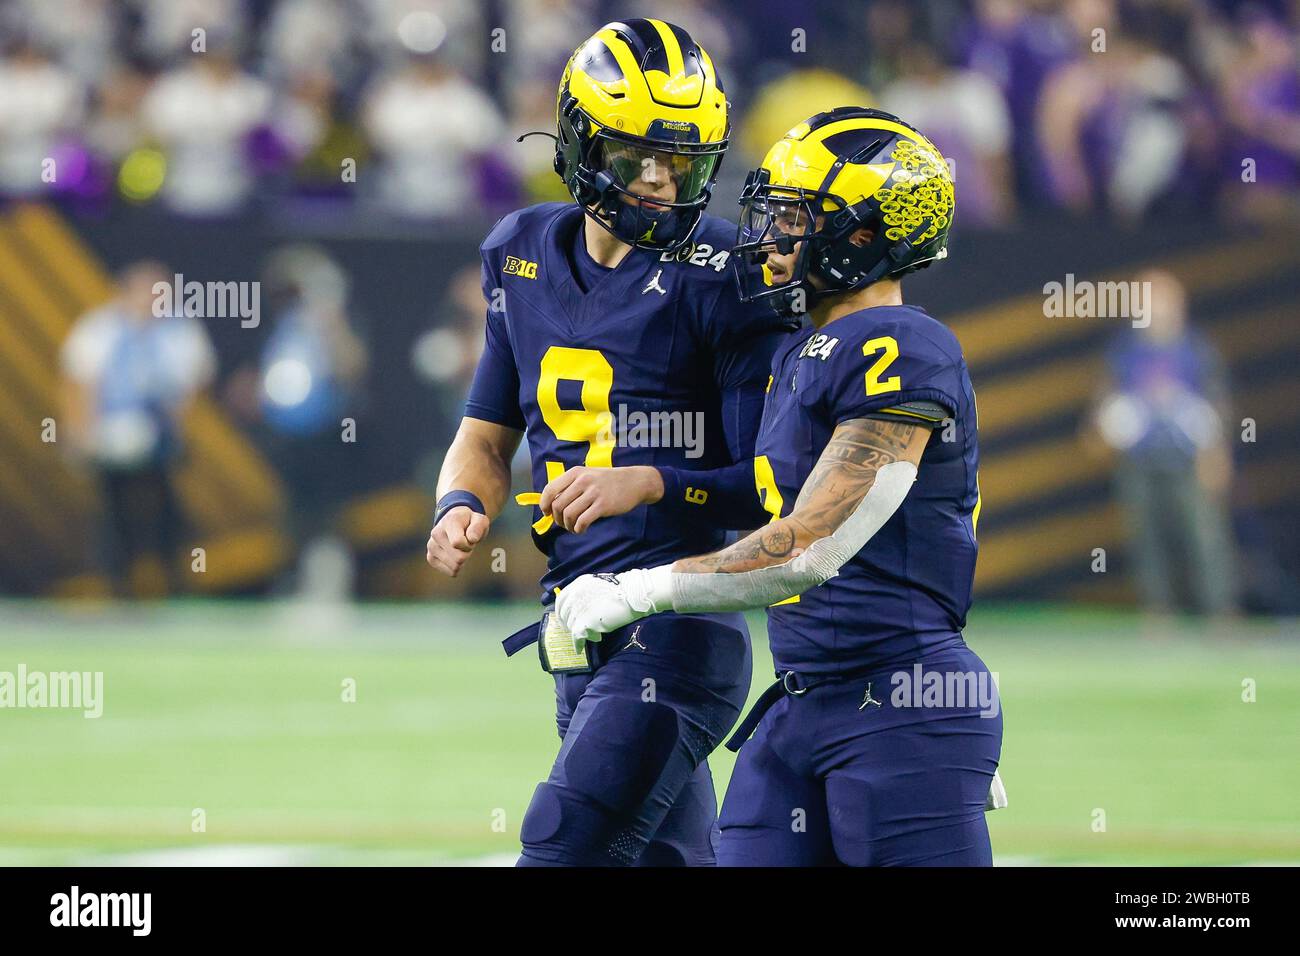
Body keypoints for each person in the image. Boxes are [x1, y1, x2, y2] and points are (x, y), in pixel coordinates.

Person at [557, 107, 1005, 866]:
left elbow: (809, 547)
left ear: (866, 235)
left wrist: (636, 591)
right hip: (802, 701)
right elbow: (765, 500)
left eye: (796, 217)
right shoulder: (804, 350)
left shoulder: (902, 344)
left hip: (900, 706)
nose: (770, 235)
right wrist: (657, 483)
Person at [426, 19, 793, 866]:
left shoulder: (726, 276)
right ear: (584, 143)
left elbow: (772, 484)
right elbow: (485, 432)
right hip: (576, 627)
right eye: (640, 158)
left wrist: (654, 481)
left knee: (561, 847)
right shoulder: (521, 251)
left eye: (684, 161)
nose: (663, 183)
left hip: (676, 626)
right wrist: (458, 503)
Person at [60, 259, 216, 596]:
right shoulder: (99, 328)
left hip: (158, 437)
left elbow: (194, 384)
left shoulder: (181, 330)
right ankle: (117, 586)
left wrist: (174, 426)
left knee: (164, 508)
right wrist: (80, 434)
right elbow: (80, 384)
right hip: (109, 436)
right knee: (113, 512)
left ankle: (175, 582)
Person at [1088, 269, 1236, 618]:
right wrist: (1098, 428)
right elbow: (1106, 395)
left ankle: (1221, 611)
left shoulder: (1196, 348)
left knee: (1204, 536)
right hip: (1140, 459)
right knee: (1146, 539)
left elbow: (1217, 403)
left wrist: (1216, 454)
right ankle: (1158, 611)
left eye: (1159, 298)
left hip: (1187, 458)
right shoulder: (1125, 349)